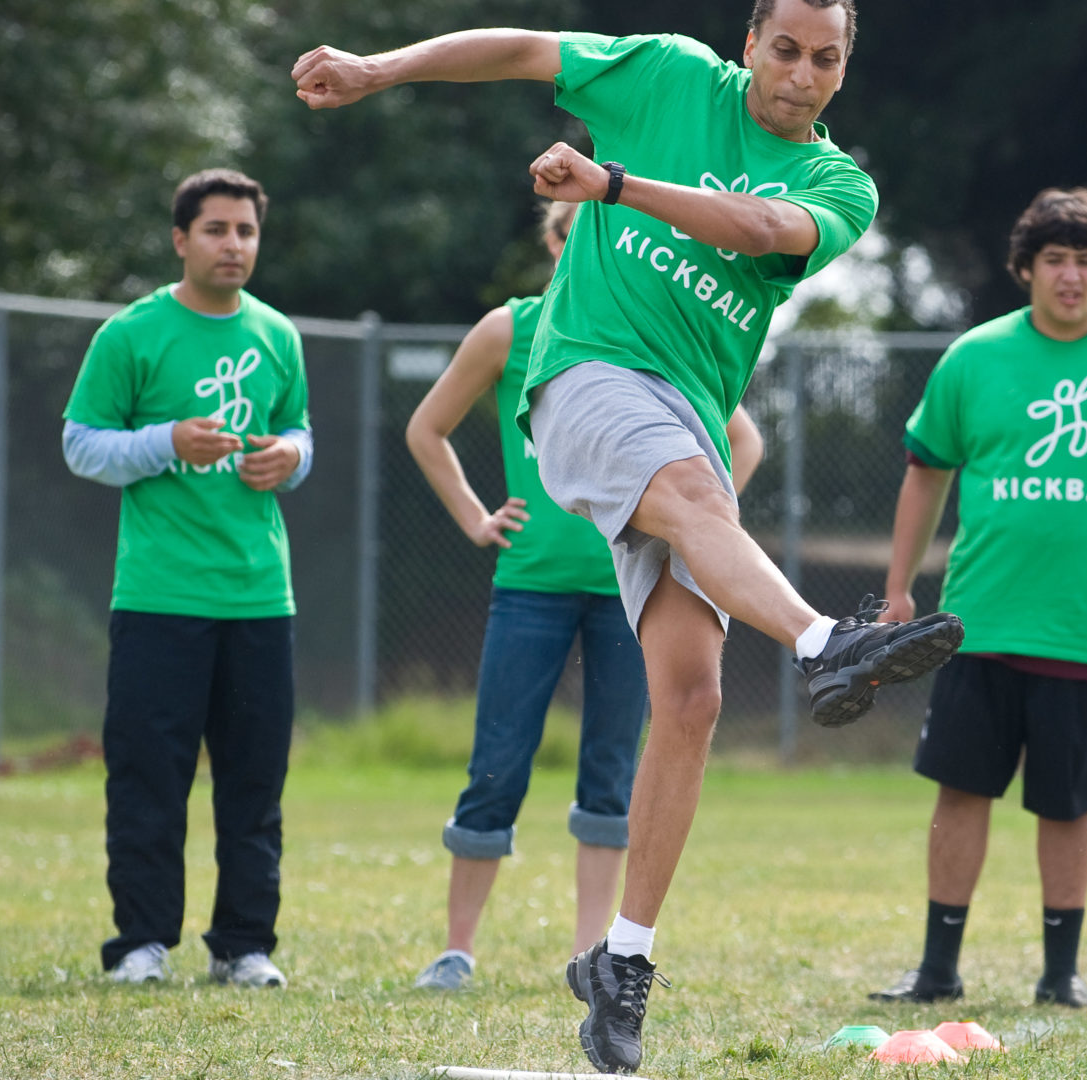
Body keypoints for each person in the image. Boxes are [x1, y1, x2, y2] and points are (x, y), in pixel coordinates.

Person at [293, 2, 964, 1070]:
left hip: (686, 409)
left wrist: (612, 186)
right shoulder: (662, 75)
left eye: (824, 59)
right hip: (589, 374)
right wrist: (381, 68)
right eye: (784, 49)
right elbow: (520, 50)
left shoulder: (843, 186)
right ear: (751, 44)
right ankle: (821, 644)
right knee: (701, 504)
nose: (800, 74)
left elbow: (756, 231)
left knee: (690, 699)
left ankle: (623, 960)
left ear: (844, 70)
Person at [869, 188, 1087, 1008]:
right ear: (1025, 269)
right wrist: (898, 589)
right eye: (1055, 260)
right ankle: (936, 970)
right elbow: (926, 473)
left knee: (1068, 805)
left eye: (1086, 261)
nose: (1071, 277)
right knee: (960, 791)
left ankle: (1060, 976)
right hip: (983, 621)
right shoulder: (974, 357)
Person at [406, 202, 764, 990]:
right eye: (573, 231)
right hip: (529, 586)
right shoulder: (511, 330)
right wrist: (474, 516)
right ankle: (457, 949)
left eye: (600, 229)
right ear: (555, 240)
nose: (586, 243)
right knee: (496, 765)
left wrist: (691, 526)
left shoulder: (649, 334)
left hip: (627, 592)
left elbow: (745, 439)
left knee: (610, 770)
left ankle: (588, 951)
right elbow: (426, 429)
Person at [61, 168, 313, 989]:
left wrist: (291, 458)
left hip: (258, 597)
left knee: (254, 787)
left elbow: (299, 431)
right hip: (159, 597)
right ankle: (140, 945)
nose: (233, 244)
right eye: (215, 230)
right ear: (181, 239)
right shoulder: (131, 335)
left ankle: (245, 947)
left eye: (245, 230)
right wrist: (167, 440)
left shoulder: (278, 334)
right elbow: (82, 444)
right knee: (147, 782)